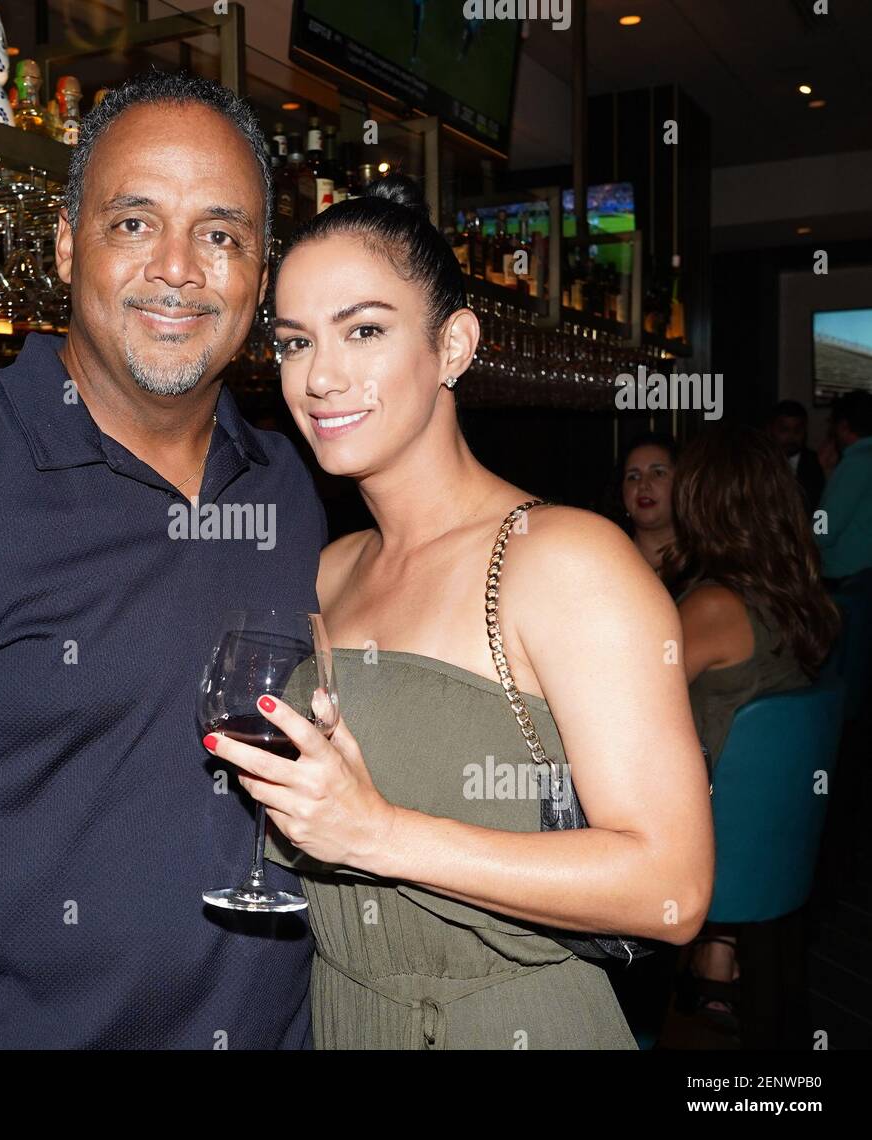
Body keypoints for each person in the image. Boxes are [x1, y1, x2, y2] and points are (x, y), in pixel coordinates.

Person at [0, 70, 326, 1049]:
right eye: (134, 223)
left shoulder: (292, 480)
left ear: (260, 271)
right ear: (67, 244)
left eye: (220, 234)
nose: (177, 269)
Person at [204, 175, 714, 1049]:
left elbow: (672, 889)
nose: (320, 377)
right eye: (294, 342)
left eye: (364, 330)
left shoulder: (564, 560)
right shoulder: (328, 572)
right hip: (346, 1016)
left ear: (454, 346)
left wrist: (380, 834)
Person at [663, 424, 839, 1031]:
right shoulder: (798, 595)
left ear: (703, 504)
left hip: (708, 844)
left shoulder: (714, 606)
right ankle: (721, 947)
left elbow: (618, 696)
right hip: (769, 846)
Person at [815, 390, 872, 584]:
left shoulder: (855, 462)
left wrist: (804, 540)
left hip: (851, 577)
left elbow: (825, 528)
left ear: (843, 427)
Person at [618, 432, 678, 578]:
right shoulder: (607, 558)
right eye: (633, 477)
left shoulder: (707, 566)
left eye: (658, 473)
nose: (643, 485)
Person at [766, 400, 825, 512]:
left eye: (798, 430)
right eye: (784, 430)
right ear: (770, 430)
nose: (791, 436)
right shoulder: (761, 462)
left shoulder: (815, 462)